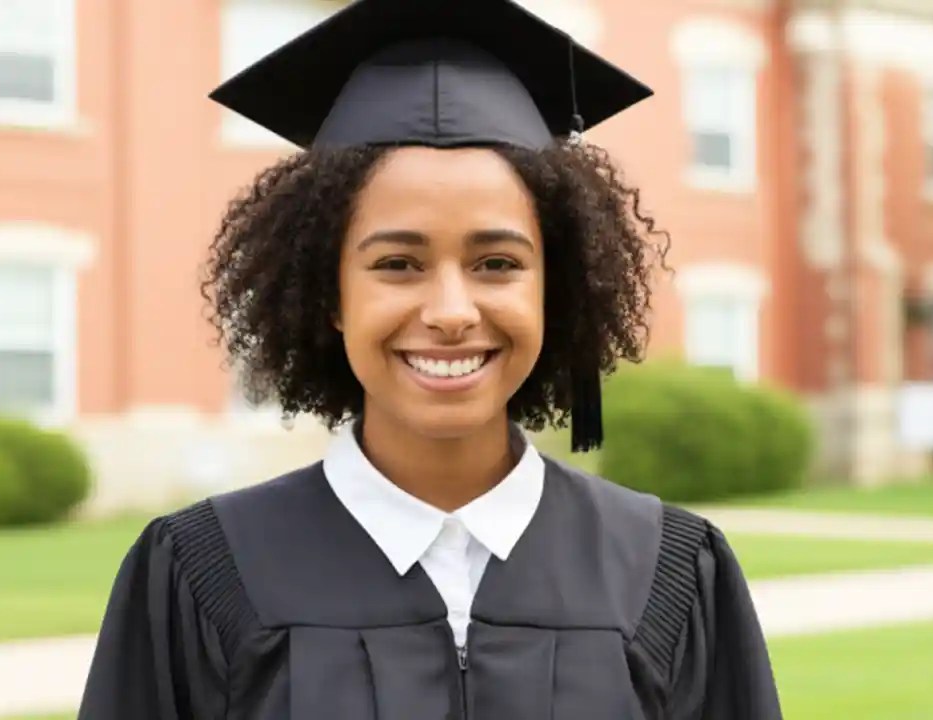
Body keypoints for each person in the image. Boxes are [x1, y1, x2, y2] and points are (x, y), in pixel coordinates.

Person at [76, 0, 782, 717]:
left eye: (498, 262)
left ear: (556, 289)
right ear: (331, 294)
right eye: (399, 263)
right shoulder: (206, 573)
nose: (450, 311)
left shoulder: (666, 572)